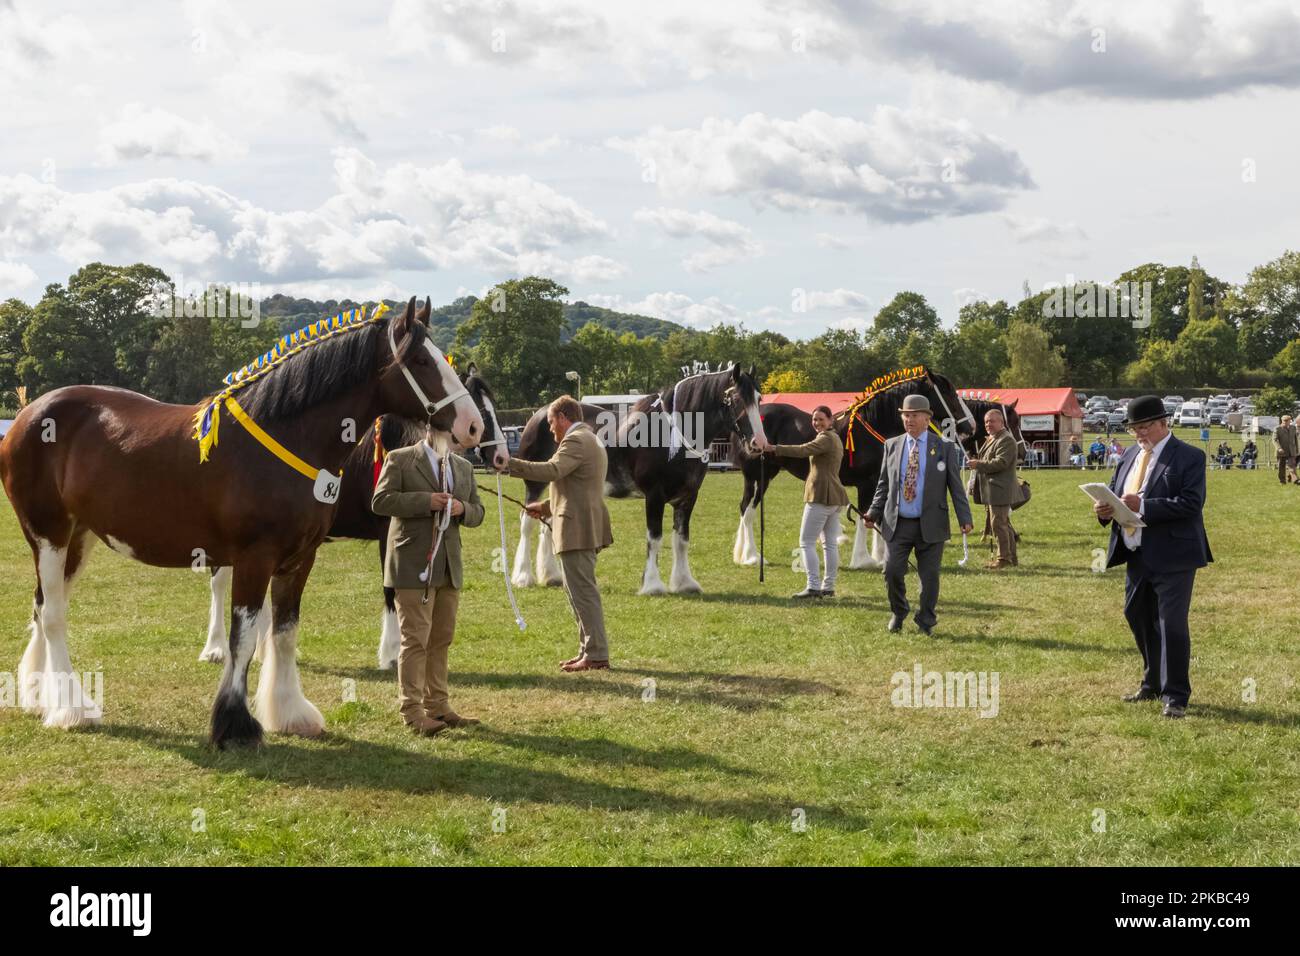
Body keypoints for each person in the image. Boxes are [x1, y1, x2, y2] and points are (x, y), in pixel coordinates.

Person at [1092, 395, 1212, 720]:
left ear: (1163, 423)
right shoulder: (1130, 455)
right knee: (1137, 617)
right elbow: (1117, 494)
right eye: (1134, 430)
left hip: (1175, 554)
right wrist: (1105, 509)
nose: (1140, 435)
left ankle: (1176, 695)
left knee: (1171, 625)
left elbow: (1190, 503)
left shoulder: (1189, 457)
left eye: (1145, 427)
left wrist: (1142, 506)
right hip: (1136, 552)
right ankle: (1152, 683)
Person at [372, 425, 485, 736]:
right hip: (412, 565)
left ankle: (438, 704)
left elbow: (479, 512)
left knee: (441, 638)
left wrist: (464, 509)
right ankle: (411, 709)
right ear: (428, 428)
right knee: (415, 639)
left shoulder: (463, 466)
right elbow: (380, 501)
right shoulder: (400, 459)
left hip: (449, 565)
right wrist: (426, 501)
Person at [502, 395, 614, 672]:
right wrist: (546, 506)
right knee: (577, 591)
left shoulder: (576, 440)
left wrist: (510, 464)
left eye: (552, 423)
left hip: (576, 527)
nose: (551, 429)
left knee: (583, 593)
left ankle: (596, 654)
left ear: (563, 418)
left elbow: (553, 470)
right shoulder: (590, 439)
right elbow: (580, 486)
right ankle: (587, 651)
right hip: (580, 522)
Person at [863, 394, 974, 635]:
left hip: (932, 523)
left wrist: (965, 518)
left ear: (927, 418)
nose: (909, 419)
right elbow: (884, 484)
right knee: (891, 571)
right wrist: (873, 511)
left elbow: (955, 487)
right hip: (898, 522)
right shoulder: (891, 445)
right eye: (905, 415)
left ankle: (926, 619)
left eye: (914, 415)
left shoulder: (943, 448)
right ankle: (899, 610)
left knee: (930, 577)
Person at [753, 404, 849, 598]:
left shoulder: (825, 439)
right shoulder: (835, 438)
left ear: (831, 421)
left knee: (806, 541)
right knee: (829, 544)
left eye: (821, 419)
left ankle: (813, 586)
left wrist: (773, 448)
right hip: (834, 497)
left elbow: (803, 450)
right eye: (814, 419)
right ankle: (828, 586)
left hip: (821, 496)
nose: (817, 423)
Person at [967, 408, 1019, 569]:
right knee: (1004, 523)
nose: (988, 424)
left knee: (998, 525)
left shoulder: (1006, 439)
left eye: (992, 421)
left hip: (1000, 490)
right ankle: (1010, 558)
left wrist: (978, 464)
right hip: (994, 489)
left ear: (1001, 422)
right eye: (986, 421)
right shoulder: (994, 438)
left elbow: (1001, 463)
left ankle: (1003, 559)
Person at [1275, 415, 1298, 484]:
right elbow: (1275, 440)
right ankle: (1282, 481)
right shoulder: (1277, 429)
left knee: (1292, 465)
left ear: (1289, 421)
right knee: (1281, 467)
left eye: (1287, 421)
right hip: (1282, 451)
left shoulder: (1293, 428)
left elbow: (1295, 439)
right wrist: (1279, 448)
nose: (1285, 422)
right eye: (1284, 420)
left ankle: (1295, 480)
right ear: (1281, 420)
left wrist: (1296, 449)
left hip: (1291, 450)